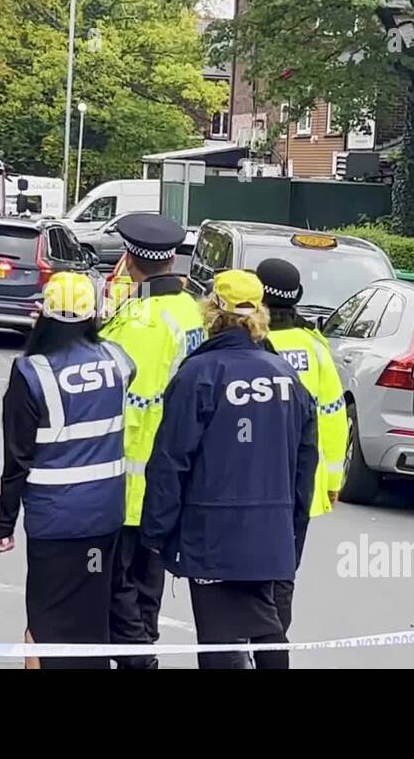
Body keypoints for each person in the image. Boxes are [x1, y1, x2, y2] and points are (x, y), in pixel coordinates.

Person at [141, 270, 317, 670]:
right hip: (271, 531)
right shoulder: (287, 377)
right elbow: (306, 465)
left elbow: (170, 462)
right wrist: (292, 536)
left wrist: (155, 533)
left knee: (220, 636)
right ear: (260, 314)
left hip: (212, 533)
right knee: (267, 630)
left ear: (212, 311)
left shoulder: (199, 374)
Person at [0, 273, 136, 669]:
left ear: (43, 313)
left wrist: (5, 523)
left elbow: (16, 458)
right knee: (91, 620)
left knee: (45, 622)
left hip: (54, 520)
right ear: (94, 313)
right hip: (104, 516)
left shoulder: (31, 372)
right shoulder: (118, 361)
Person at [98, 213, 204, 669]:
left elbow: (129, 402)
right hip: (174, 474)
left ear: (128, 259)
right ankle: (144, 649)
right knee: (148, 583)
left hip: (133, 476)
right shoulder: (190, 310)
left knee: (119, 585)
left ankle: (140, 660)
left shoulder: (142, 319)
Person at [256, 258, 349, 636]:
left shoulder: (252, 343)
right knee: (283, 572)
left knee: (242, 573)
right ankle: (274, 641)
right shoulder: (314, 347)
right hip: (300, 490)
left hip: (250, 482)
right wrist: (331, 480)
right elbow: (332, 414)